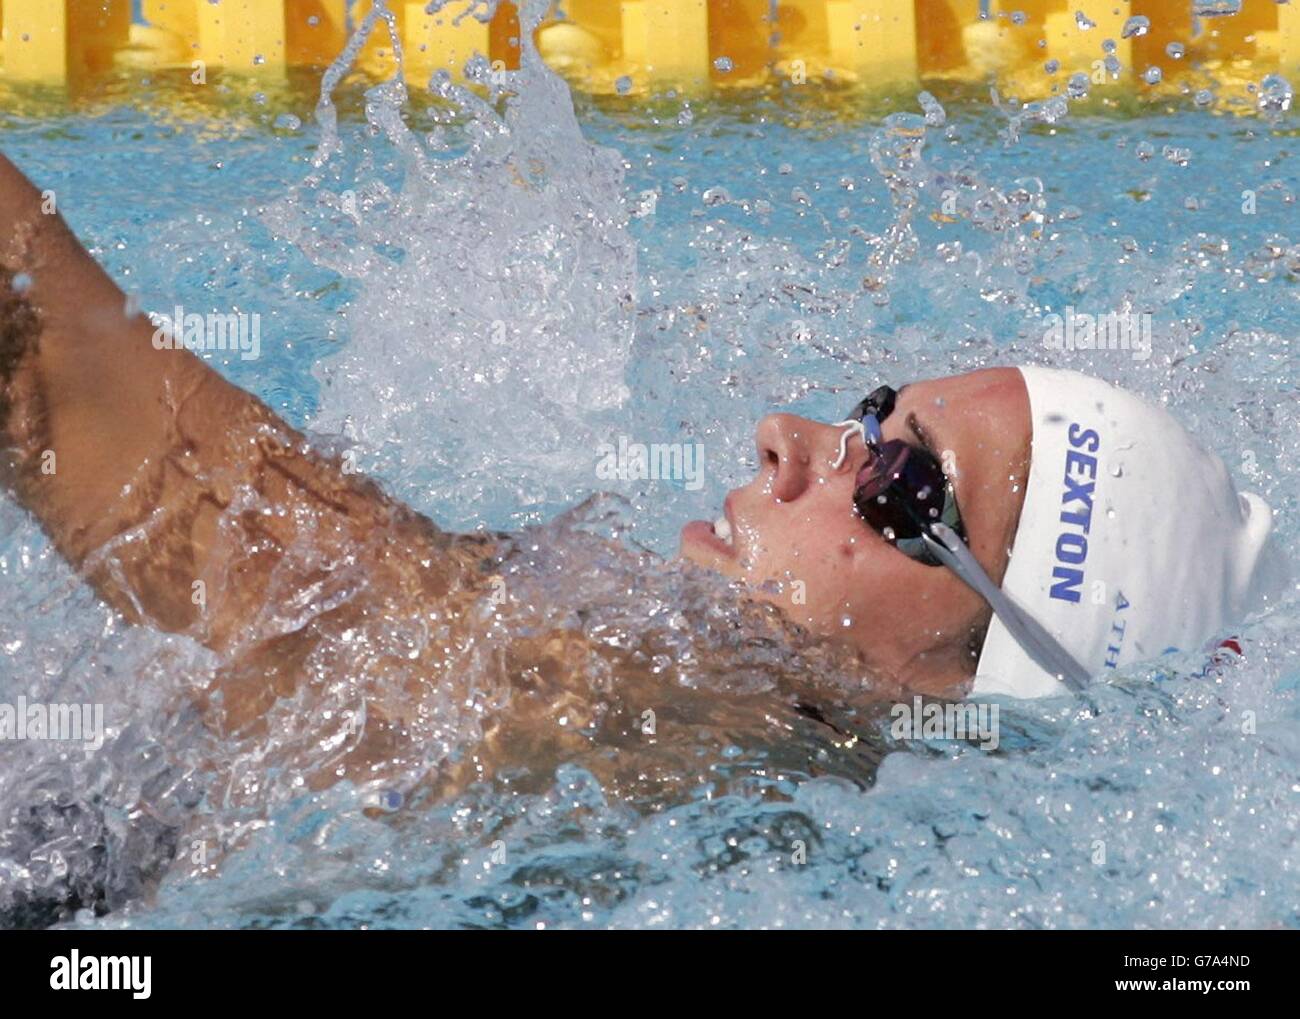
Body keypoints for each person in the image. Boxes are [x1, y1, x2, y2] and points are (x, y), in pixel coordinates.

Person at [0, 150, 1285, 805]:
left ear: (975, 671)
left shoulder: (642, 709)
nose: (787, 437)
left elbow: (75, 395)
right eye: (865, 415)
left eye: (897, 477)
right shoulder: (727, 744)